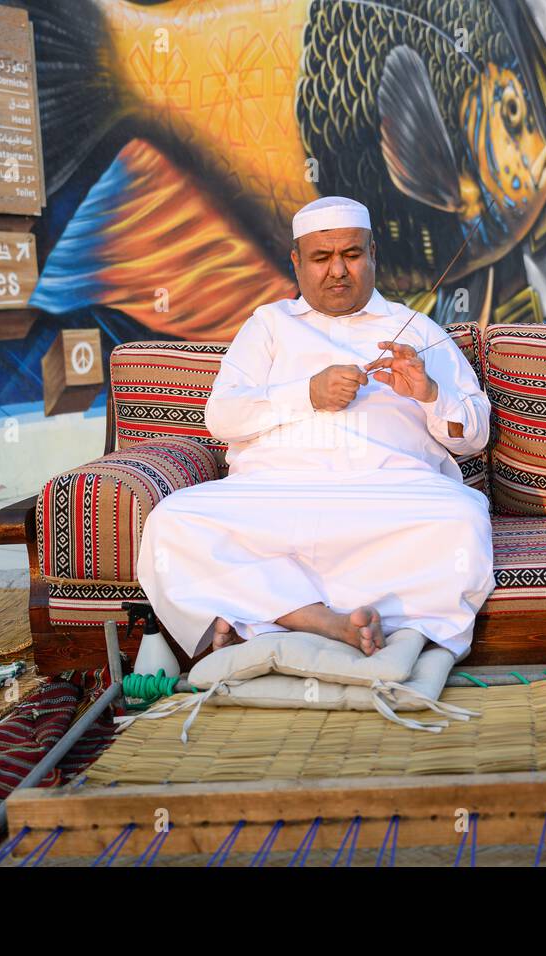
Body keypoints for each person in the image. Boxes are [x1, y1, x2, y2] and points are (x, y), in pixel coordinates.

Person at [134, 196, 494, 661]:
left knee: (460, 521)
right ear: (297, 262)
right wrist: (306, 394)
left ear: (373, 254)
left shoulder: (418, 330)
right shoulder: (268, 325)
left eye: (351, 255)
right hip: (275, 497)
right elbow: (222, 417)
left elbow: (474, 435)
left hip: (388, 497)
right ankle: (325, 621)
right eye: (322, 258)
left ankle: (264, 615)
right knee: (171, 523)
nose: (338, 271)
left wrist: (429, 393)